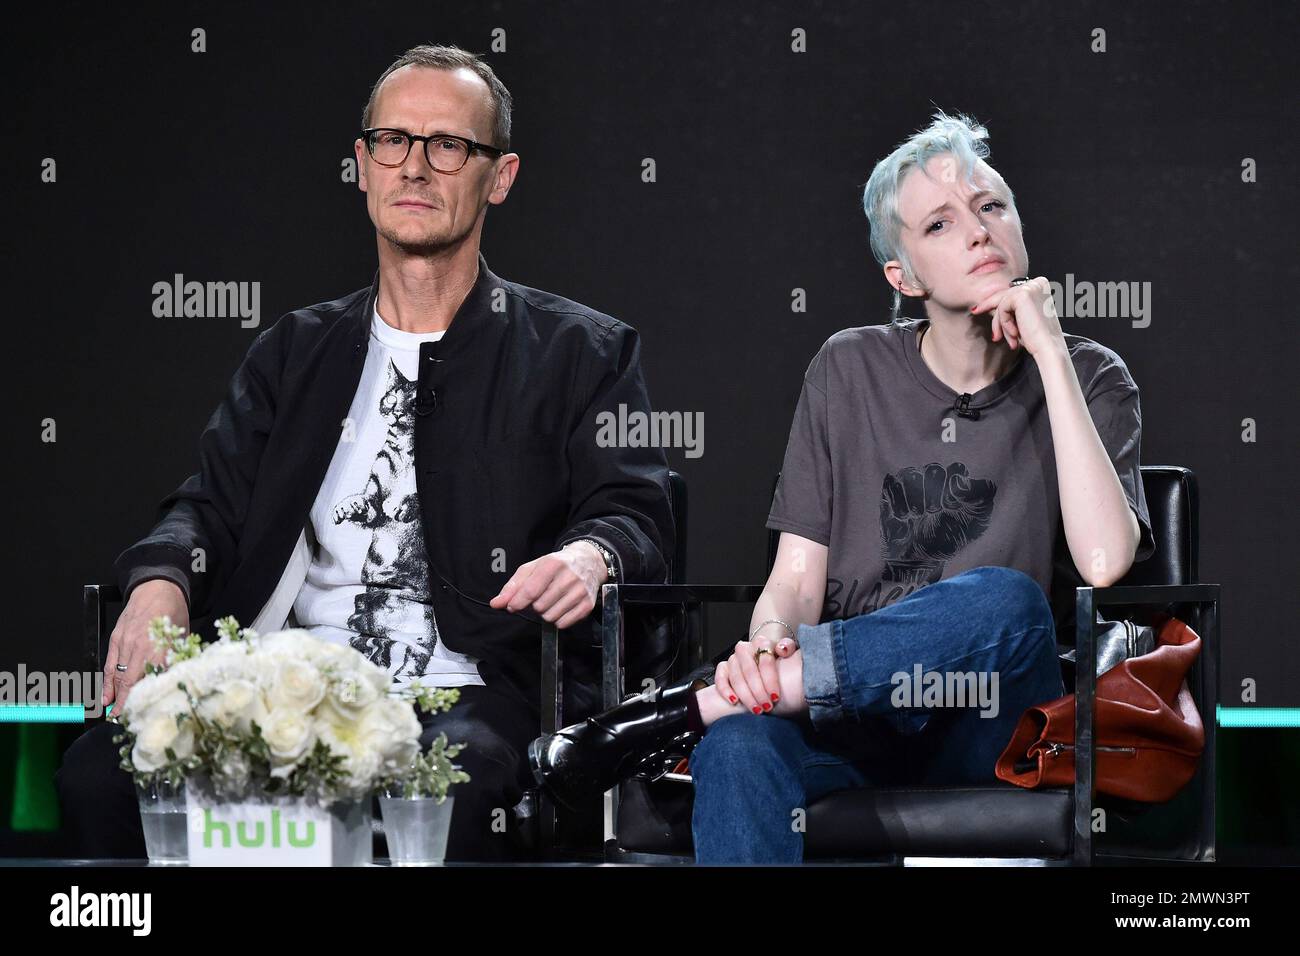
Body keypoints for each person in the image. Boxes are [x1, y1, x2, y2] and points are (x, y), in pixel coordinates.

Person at [55, 44, 675, 862]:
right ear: (362, 163)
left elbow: (634, 511)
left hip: (470, 687)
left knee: (463, 787)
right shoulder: (295, 350)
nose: (415, 167)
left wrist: (591, 557)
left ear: (501, 175)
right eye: (393, 141)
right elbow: (205, 505)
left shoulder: (578, 351)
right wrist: (160, 581)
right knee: (100, 774)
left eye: (449, 145)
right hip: (282, 684)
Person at [529, 111, 1155, 864]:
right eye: (941, 223)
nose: (980, 232)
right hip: (842, 716)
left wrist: (1051, 351)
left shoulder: (1091, 375)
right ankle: (725, 710)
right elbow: (796, 581)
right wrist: (763, 647)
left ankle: (687, 710)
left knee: (1008, 599)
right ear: (905, 276)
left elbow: (1102, 562)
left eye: (992, 207)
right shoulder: (846, 369)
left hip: (990, 720)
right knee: (737, 747)